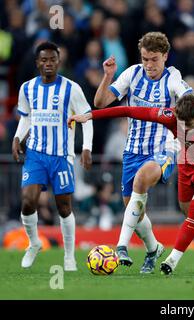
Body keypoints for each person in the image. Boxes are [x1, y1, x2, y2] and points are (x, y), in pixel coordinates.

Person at [68, 94, 194, 275]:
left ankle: (177, 260)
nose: (185, 129)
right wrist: (91, 115)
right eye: (181, 124)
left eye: (189, 125)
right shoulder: (170, 116)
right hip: (187, 166)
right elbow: (130, 111)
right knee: (189, 214)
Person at [93, 32, 193, 273]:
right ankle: (153, 248)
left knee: (141, 181)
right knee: (134, 210)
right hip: (132, 151)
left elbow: (189, 98)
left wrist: (185, 116)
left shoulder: (173, 77)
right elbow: (100, 103)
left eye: (154, 59)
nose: (149, 65)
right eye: (146, 59)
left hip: (163, 148)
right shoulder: (132, 73)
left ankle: (121, 246)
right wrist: (107, 76)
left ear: (165, 56)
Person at [12, 41, 93, 271]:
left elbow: (87, 117)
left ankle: (69, 257)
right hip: (36, 154)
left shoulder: (72, 88)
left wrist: (86, 148)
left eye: (52, 60)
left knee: (64, 207)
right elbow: (27, 117)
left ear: (59, 62)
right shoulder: (27, 88)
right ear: (38, 63)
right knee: (28, 201)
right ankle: (34, 242)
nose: (48, 64)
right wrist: (17, 137)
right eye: (44, 60)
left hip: (62, 156)